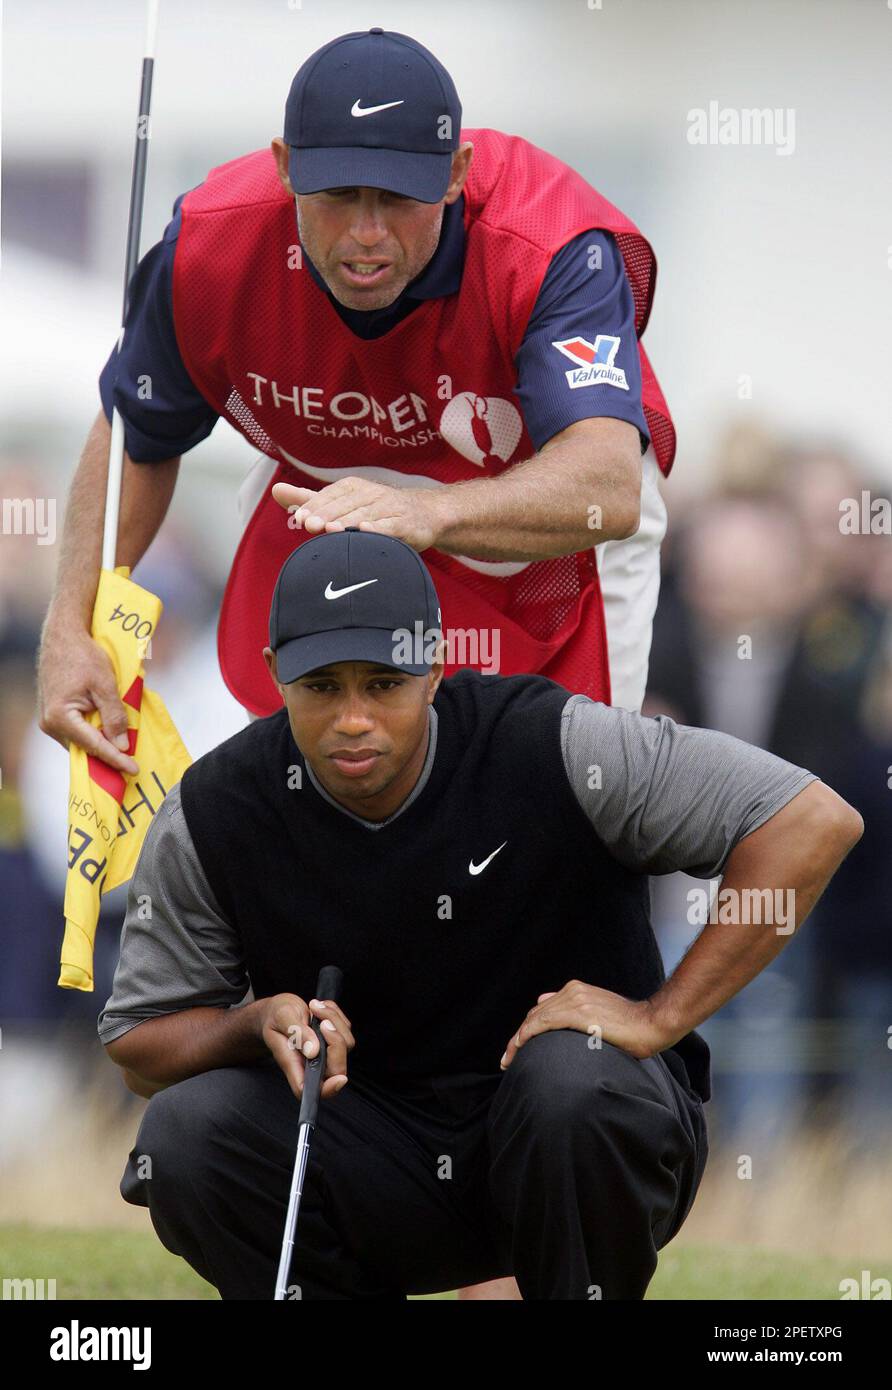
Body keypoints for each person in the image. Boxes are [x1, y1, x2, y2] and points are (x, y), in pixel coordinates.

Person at [99, 530, 863, 1301]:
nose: (354, 718)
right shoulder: (217, 807)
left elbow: (809, 820)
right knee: (186, 1134)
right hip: (372, 1155)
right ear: (275, 675)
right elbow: (138, 1043)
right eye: (322, 686)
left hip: (577, 1136)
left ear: (435, 667)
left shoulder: (557, 743)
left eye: (384, 683)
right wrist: (249, 1023)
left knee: (570, 1079)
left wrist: (660, 1016)